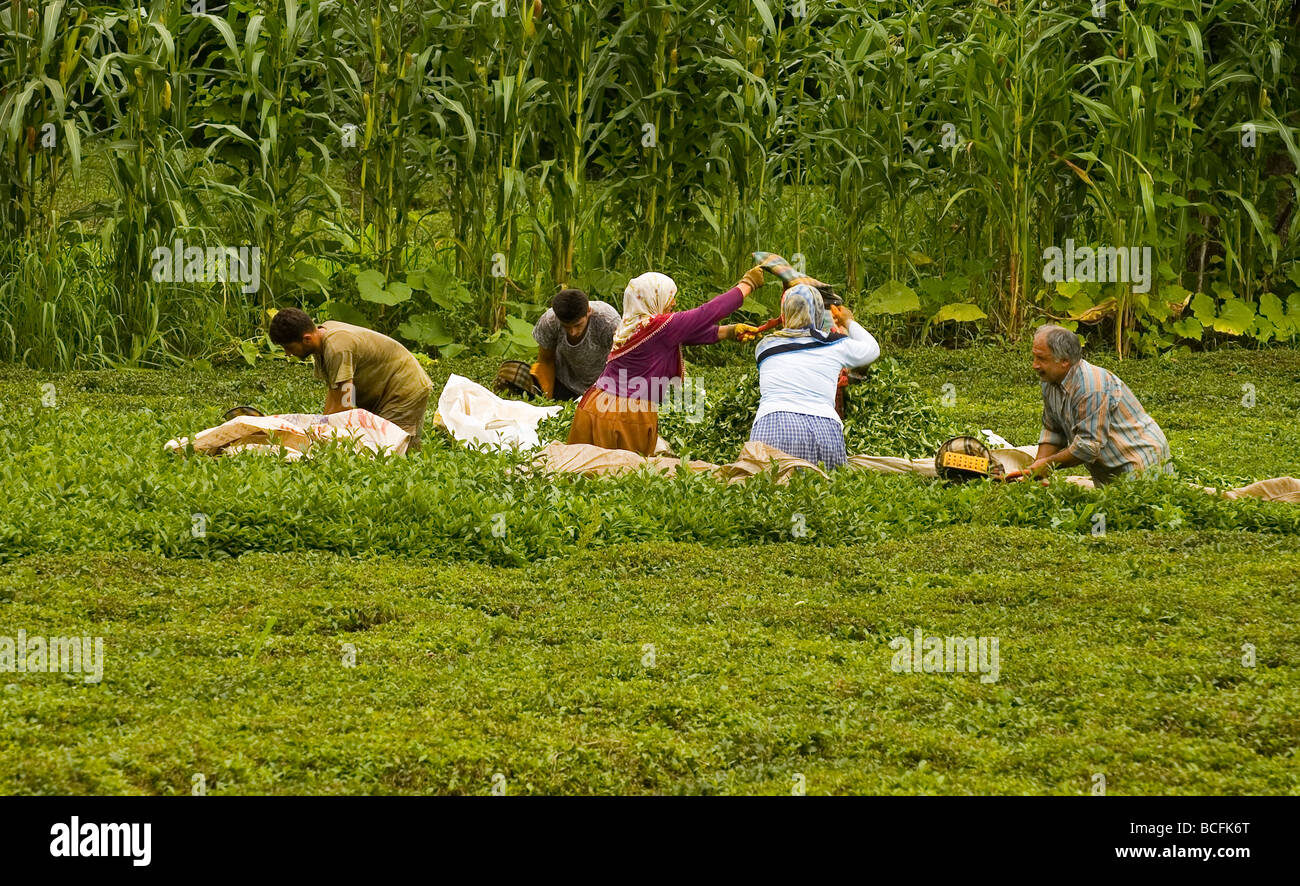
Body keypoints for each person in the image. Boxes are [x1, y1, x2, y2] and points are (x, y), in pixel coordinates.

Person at [567, 267, 766, 455]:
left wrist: (729, 331)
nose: (674, 303)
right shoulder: (658, 326)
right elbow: (709, 312)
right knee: (622, 476)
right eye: (671, 297)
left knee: (587, 474)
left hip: (595, 404)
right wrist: (748, 283)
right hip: (625, 414)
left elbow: (683, 336)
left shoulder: (631, 324)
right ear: (654, 298)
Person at [746, 284, 881, 469]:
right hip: (825, 435)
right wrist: (848, 321)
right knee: (821, 484)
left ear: (784, 314)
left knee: (771, 482)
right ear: (818, 313)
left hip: (772, 432)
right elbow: (872, 350)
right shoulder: (834, 344)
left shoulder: (764, 347)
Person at [268, 308, 434, 451]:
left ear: (306, 339)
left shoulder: (337, 348)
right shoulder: (321, 340)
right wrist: (320, 427)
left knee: (389, 448)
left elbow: (345, 404)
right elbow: (334, 393)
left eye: (288, 348)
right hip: (385, 389)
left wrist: (320, 439)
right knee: (383, 444)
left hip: (404, 387)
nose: (287, 354)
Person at [1025, 324, 1171, 484]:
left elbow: (1088, 446)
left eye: (1042, 359)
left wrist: (1048, 464)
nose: (1035, 365)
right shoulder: (1050, 382)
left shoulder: (1090, 387)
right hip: (1108, 466)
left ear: (1065, 361)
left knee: (1137, 507)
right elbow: (1052, 429)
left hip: (1139, 460)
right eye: (1034, 357)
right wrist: (1036, 471)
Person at [530, 288, 620, 400]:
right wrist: (546, 400)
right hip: (564, 383)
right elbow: (545, 360)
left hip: (602, 386)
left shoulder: (608, 322)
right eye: (566, 327)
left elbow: (621, 363)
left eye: (577, 325)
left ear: (588, 311)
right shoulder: (550, 321)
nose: (573, 332)